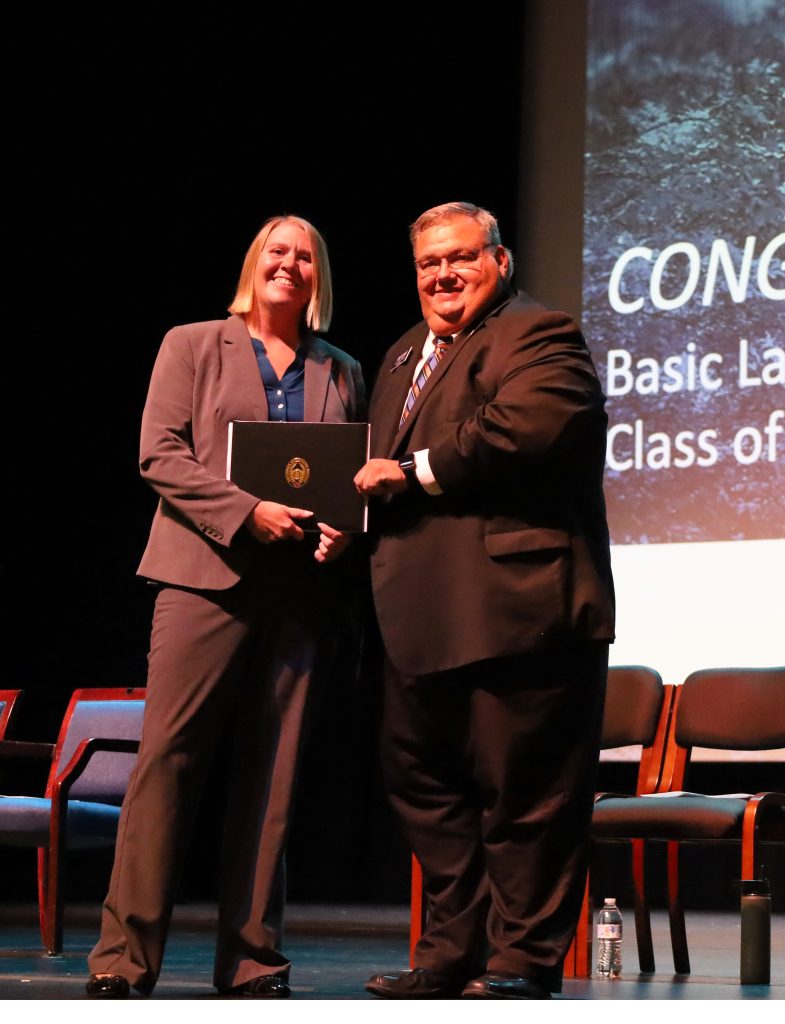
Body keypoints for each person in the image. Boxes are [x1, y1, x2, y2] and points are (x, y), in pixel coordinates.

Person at [86, 215, 365, 999]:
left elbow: (348, 478)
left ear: (319, 276)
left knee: (273, 779)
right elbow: (159, 451)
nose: (290, 264)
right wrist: (247, 511)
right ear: (253, 263)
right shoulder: (192, 343)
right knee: (166, 766)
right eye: (277, 251)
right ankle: (122, 960)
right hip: (202, 575)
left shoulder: (340, 368)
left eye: (305, 255)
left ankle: (252, 962)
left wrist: (345, 531)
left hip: (302, 592)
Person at [354, 202, 614, 1000]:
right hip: (418, 613)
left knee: (526, 797)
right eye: (429, 264)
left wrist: (415, 473)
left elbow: (525, 429)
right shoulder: (403, 354)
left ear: (499, 261)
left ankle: (520, 962)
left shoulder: (540, 332)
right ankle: (448, 953)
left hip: (520, 609)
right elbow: (370, 467)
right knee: (424, 790)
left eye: (460, 258)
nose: (443, 275)